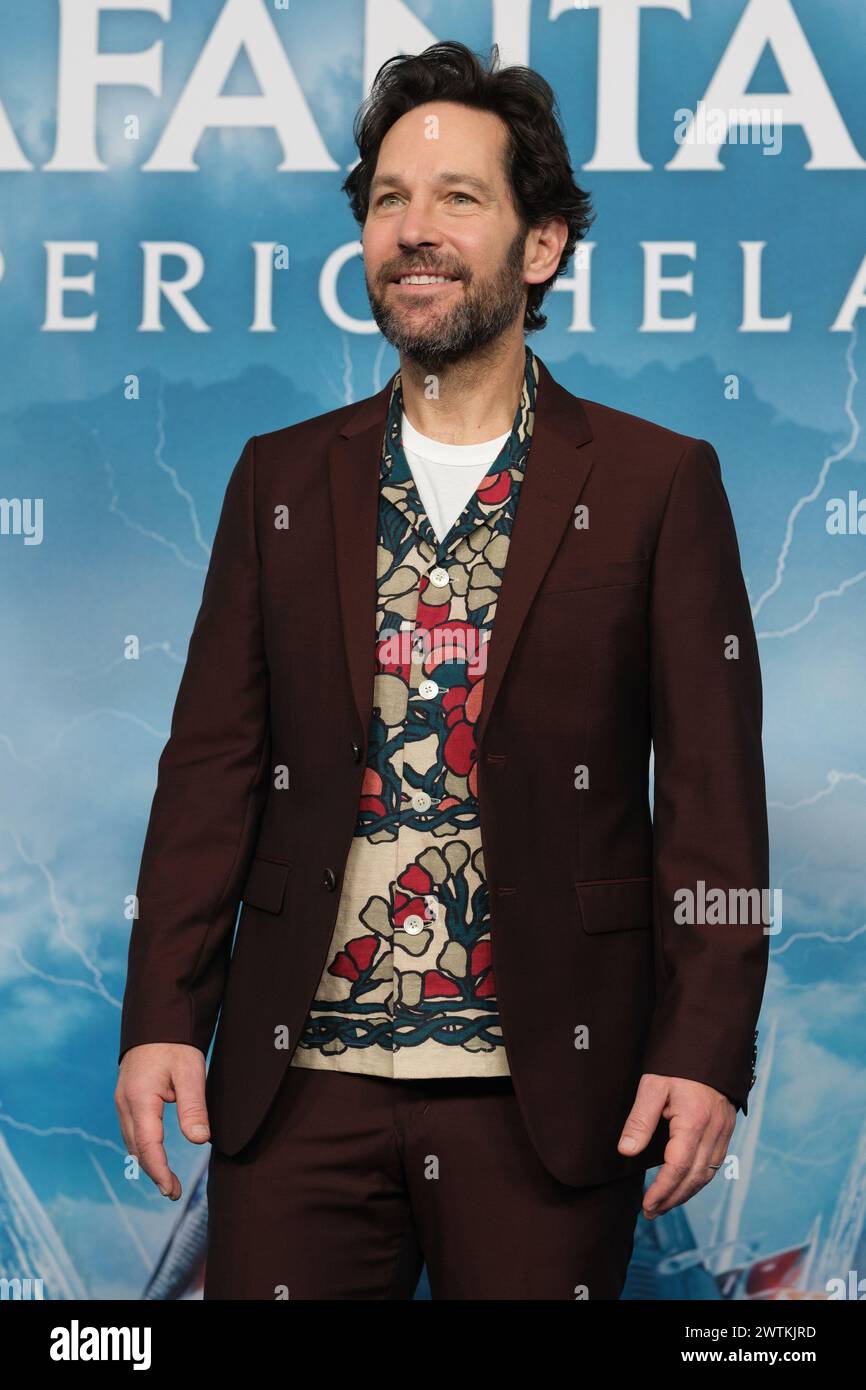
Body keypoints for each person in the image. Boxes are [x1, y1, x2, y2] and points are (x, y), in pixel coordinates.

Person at [115, 40, 769, 1300]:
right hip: (296, 1094)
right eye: (387, 203)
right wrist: (159, 1014)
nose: (415, 232)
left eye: (458, 198)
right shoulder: (279, 481)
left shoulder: (652, 483)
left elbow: (710, 804)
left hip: (547, 1100)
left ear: (540, 246)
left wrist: (705, 1048)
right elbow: (210, 772)